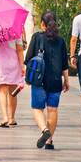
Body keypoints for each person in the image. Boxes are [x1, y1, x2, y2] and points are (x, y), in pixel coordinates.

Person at [24, 11, 70, 151]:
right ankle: (49, 141)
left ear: (42, 24)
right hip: (55, 80)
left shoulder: (37, 37)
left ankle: (44, 130)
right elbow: (64, 64)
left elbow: (28, 59)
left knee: (37, 108)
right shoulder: (61, 41)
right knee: (53, 110)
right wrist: (66, 80)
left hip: (39, 80)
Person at [0, 28, 24, 128]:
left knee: (2, 91)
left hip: (0, 62)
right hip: (13, 62)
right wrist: (22, 65)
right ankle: (12, 118)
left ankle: (5, 117)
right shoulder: (16, 30)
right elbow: (19, 49)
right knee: (13, 92)